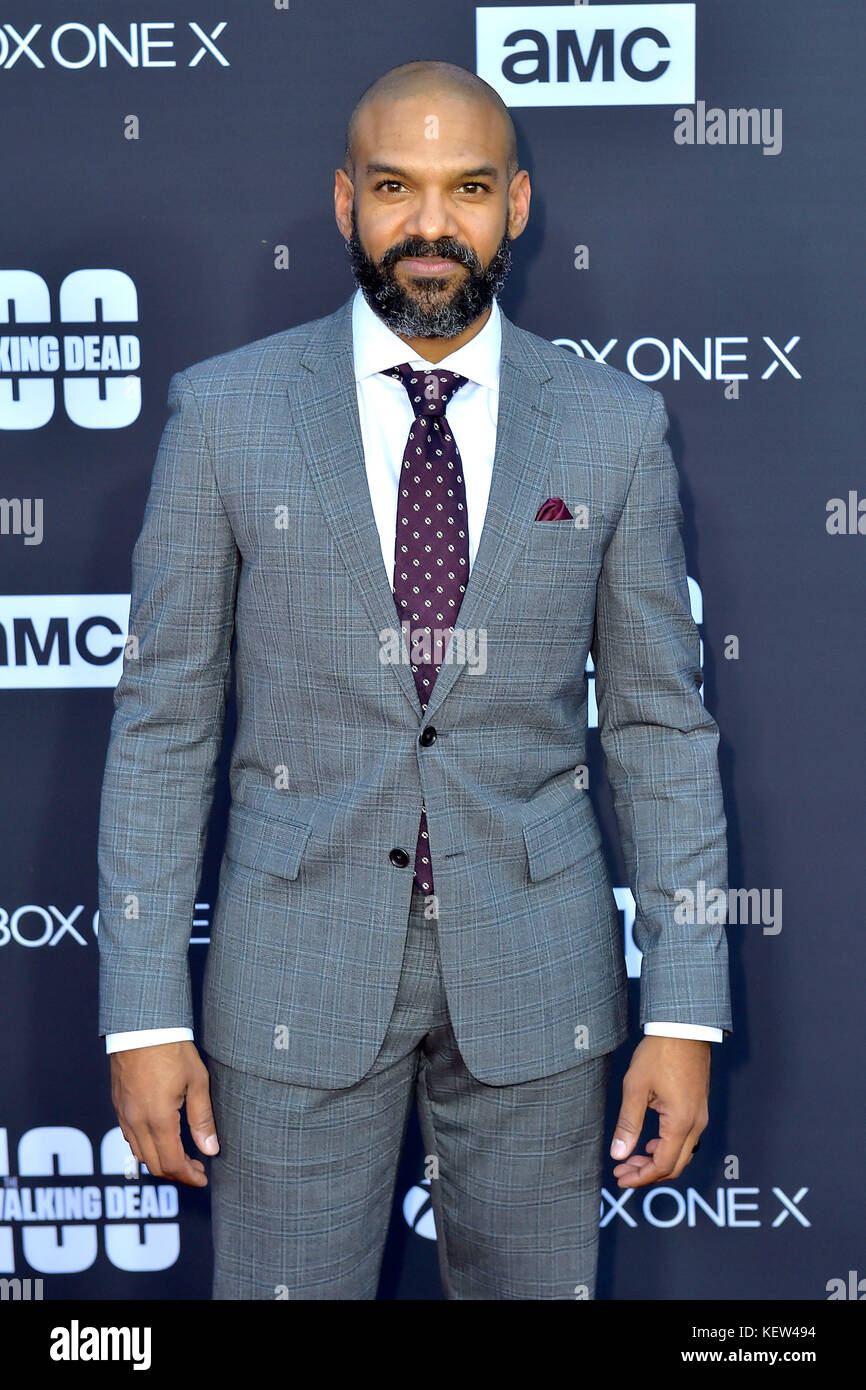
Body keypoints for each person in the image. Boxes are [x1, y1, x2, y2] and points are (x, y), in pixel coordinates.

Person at [97, 59, 731, 1300]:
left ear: (517, 206)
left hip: (537, 966)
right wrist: (142, 1014)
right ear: (344, 204)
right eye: (396, 186)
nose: (430, 225)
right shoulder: (223, 417)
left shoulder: (611, 426)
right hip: (292, 966)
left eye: (466, 189)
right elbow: (162, 725)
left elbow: (659, 728)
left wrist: (684, 1010)